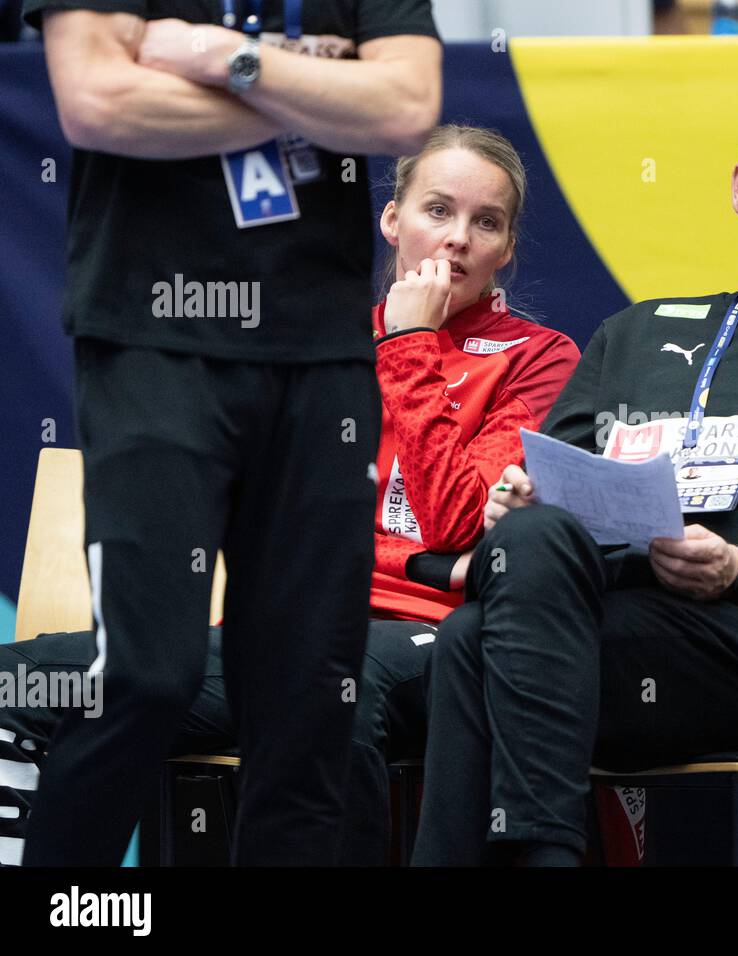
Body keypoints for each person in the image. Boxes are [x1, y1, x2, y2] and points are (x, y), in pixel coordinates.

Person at [3, 120, 580, 865]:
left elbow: (457, 521)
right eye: (438, 210)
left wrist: (410, 344)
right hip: (294, 622)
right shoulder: (321, 343)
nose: (458, 238)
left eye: (486, 222)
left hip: (428, 636)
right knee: (20, 685)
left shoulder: (540, 357)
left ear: (508, 249)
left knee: (322, 700)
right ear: (391, 219)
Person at [412, 65, 738, 866]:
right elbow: (548, 498)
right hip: (614, 611)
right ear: (737, 187)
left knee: (476, 645)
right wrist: (518, 501)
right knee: (503, 585)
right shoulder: (640, 334)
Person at [19, 0, 440, 866]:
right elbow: (97, 102)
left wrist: (224, 58)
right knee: (147, 675)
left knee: (309, 702)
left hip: (320, 348)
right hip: (153, 335)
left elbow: (402, 108)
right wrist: (318, 94)